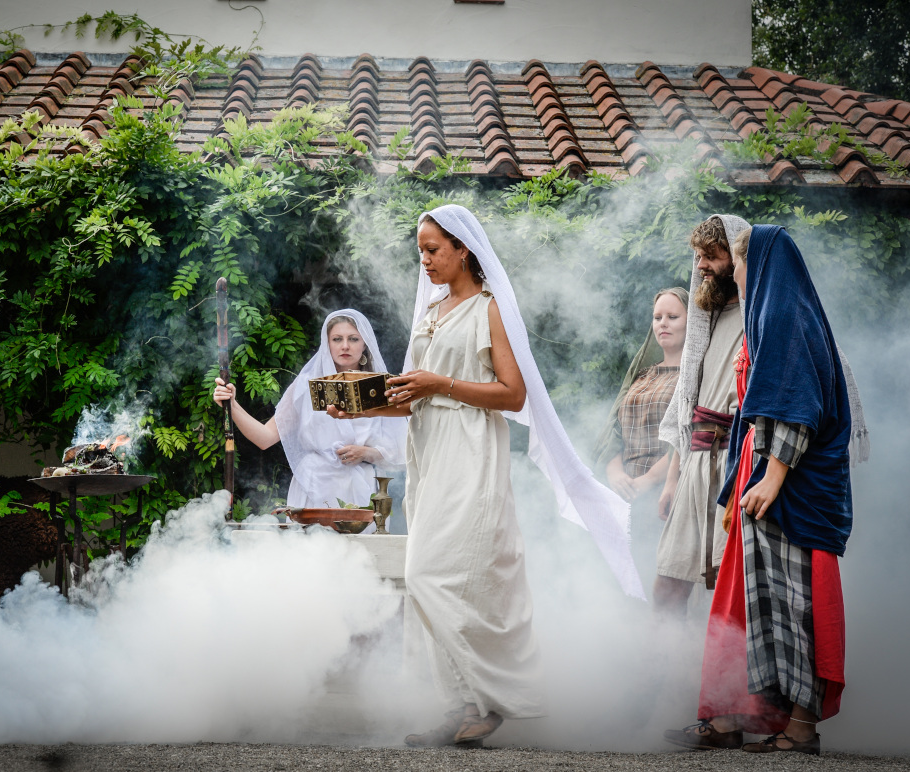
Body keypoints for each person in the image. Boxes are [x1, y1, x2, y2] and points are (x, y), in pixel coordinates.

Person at [330, 204, 641, 746]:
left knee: (436, 576)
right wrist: (361, 407)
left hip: (472, 453)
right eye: (420, 251)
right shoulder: (431, 312)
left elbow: (513, 395)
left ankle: (499, 697)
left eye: (432, 250)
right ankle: (458, 705)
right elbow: (412, 396)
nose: (423, 261)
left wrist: (438, 386)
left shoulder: (489, 309)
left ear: (463, 250)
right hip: (430, 453)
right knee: (426, 580)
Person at [664, 224, 861, 756]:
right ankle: (746, 716)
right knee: (761, 606)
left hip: (790, 486)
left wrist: (772, 476)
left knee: (795, 605)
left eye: (721, 257)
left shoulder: (782, 315)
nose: (709, 267)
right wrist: (741, 483)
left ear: (754, 259)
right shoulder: (766, 313)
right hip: (762, 476)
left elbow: (794, 403)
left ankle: (800, 728)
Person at [212, 308, 406, 511]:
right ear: (327, 344)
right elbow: (265, 437)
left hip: (361, 490)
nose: (345, 346)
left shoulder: (378, 388)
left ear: (365, 343)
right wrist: (232, 405)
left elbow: (400, 453)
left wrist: (365, 453)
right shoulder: (305, 386)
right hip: (313, 487)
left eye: (354, 339)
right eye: (337, 339)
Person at [654, 215, 749, 617]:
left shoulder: (760, 314)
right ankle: (660, 674)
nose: (701, 266)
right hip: (696, 462)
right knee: (668, 584)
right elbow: (688, 408)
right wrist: (673, 480)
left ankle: (718, 676)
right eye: (698, 257)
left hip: (738, 464)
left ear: (736, 258)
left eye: (711, 256)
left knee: (730, 593)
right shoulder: (705, 319)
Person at [596, 287, 688, 505]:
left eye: (672, 317)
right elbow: (614, 429)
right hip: (622, 493)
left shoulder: (695, 377)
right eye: (657, 318)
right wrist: (615, 472)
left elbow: (690, 434)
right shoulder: (642, 374)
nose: (663, 323)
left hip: (669, 492)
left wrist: (650, 479)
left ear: (691, 322)